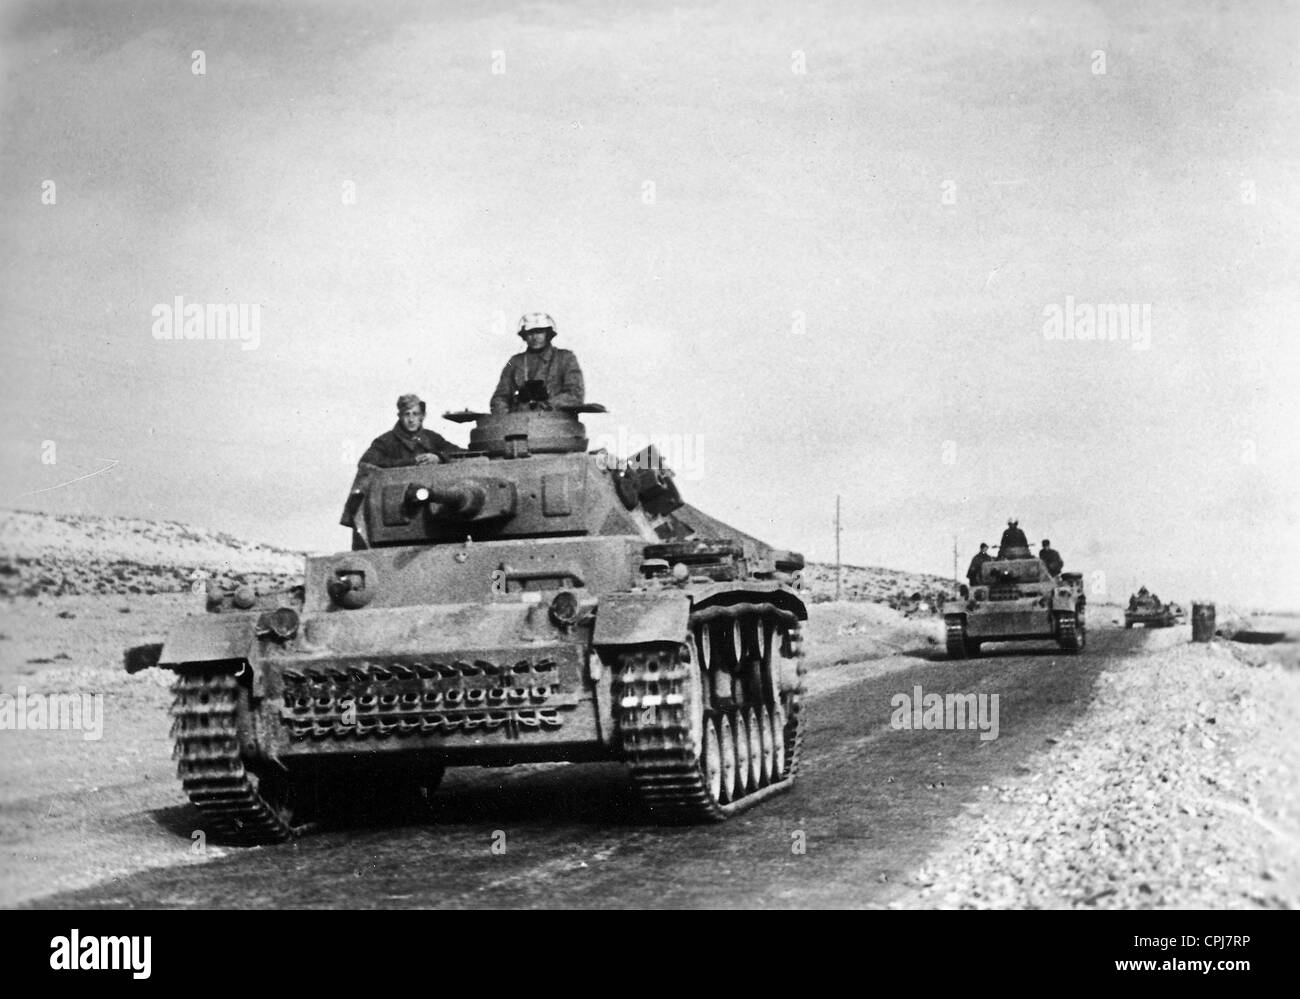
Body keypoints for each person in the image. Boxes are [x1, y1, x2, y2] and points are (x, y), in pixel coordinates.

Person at [489, 312, 585, 414]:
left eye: (539, 332)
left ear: (548, 334)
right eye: (530, 333)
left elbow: (575, 394)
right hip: (519, 422)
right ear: (525, 336)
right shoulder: (515, 362)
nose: (534, 337)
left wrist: (548, 405)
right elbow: (500, 397)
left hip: (556, 421)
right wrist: (505, 416)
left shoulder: (565, 358)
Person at [358, 393, 464, 467]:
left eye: (415, 414)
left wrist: (439, 457)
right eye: (407, 414)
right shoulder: (385, 441)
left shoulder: (432, 438)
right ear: (399, 416)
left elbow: (458, 453)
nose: (411, 419)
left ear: (422, 416)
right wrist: (412, 462)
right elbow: (366, 463)